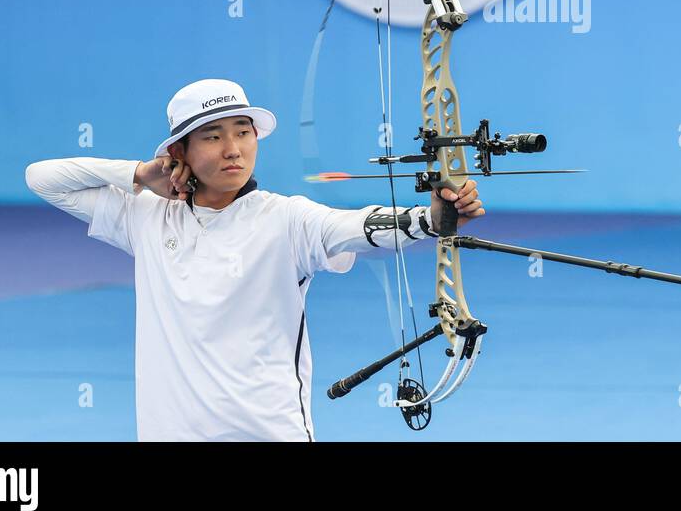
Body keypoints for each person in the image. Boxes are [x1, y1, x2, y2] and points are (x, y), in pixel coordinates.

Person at [24, 77, 484, 441]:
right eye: (213, 136)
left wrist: (430, 218)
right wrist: (140, 174)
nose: (234, 149)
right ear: (178, 152)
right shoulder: (146, 216)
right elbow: (43, 178)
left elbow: (358, 226)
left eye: (243, 132)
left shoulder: (286, 219)